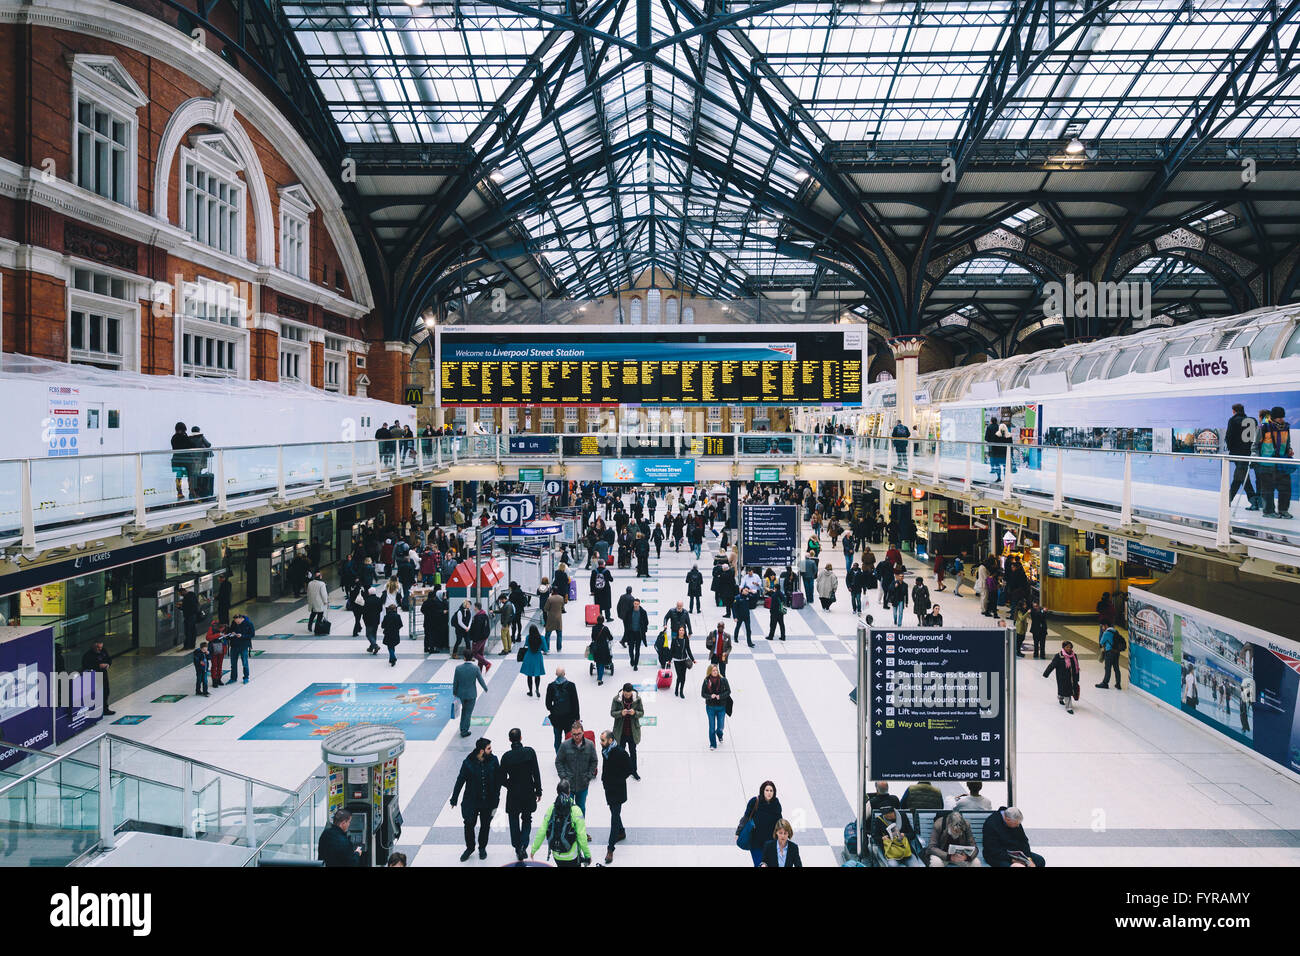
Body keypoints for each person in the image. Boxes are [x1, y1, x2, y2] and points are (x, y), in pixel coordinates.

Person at [450, 737, 500, 861]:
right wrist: (454, 798)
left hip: (488, 801)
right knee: (468, 825)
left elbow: (498, 779)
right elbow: (460, 780)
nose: (491, 750)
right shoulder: (468, 762)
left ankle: (482, 847)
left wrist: (496, 797)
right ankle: (470, 847)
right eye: (489, 748)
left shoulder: (493, 760)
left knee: (485, 825)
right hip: (471, 801)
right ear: (481, 750)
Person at [497, 727, 543, 862]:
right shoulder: (529, 752)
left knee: (513, 819)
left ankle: (517, 846)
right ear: (521, 738)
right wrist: (538, 790)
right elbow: (536, 772)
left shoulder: (506, 757)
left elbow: (501, 778)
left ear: (510, 740)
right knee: (527, 818)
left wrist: (510, 784)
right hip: (528, 791)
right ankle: (523, 844)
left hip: (513, 794)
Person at [530, 780, 590, 867]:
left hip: (557, 855)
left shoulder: (551, 809)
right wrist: (587, 855)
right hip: (572, 856)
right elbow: (582, 836)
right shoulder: (576, 810)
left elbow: (542, 831)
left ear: (557, 792)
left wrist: (534, 849)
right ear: (569, 792)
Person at [599, 729, 633, 864]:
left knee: (614, 817)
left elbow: (630, 769)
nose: (600, 742)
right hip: (609, 788)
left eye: (603, 740)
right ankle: (622, 831)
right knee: (615, 812)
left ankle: (610, 848)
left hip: (617, 790)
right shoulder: (605, 751)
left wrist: (618, 779)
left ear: (610, 740)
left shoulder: (620, 752)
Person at [555, 719, 598, 814]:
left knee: (580, 809)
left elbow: (594, 761)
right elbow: (559, 761)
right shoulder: (565, 745)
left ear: (583, 732)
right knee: (567, 809)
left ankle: (580, 828)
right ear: (571, 734)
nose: (577, 736)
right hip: (568, 786)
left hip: (583, 785)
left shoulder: (590, 745)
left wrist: (589, 776)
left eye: (579, 734)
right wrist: (563, 777)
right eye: (574, 734)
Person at [1258, 405, 1293, 519]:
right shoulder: (1264, 427)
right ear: (1273, 418)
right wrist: (1255, 459)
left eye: (1282, 417)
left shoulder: (1286, 427)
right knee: (1267, 489)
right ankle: (1268, 511)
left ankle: (1283, 510)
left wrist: (1289, 450)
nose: (1282, 419)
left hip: (1282, 463)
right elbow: (1255, 445)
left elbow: (1287, 443)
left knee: (1286, 488)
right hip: (1266, 463)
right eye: (1279, 417)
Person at [736, 781, 783, 867]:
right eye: (767, 790)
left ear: (774, 792)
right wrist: (738, 832)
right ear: (762, 791)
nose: (769, 793)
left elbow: (780, 822)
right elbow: (746, 818)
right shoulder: (754, 801)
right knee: (759, 865)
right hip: (756, 842)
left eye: (771, 791)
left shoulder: (776, 804)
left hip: (770, 843)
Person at [1225, 403, 1261, 510]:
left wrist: (1232, 449)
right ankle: (1230, 500)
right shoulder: (1252, 420)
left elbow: (1229, 437)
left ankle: (1228, 500)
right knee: (1242, 476)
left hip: (1238, 453)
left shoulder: (1232, 420)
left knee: (1239, 476)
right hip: (1249, 453)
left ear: (1234, 411)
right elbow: (1256, 437)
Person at [453, 650, 488, 737]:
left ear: (464, 658)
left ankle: (462, 728)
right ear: (472, 658)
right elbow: (480, 680)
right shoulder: (475, 668)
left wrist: (454, 692)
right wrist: (485, 688)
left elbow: (455, 682)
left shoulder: (458, 668)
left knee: (464, 710)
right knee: (468, 712)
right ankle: (464, 730)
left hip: (461, 693)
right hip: (471, 694)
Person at [545, 668, 580, 753]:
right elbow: (575, 702)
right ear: (564, 673)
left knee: (557, 739)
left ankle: (559, 757)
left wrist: (553, 710)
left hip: (556, 719)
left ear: (556, 674)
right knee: (569, 738)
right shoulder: (571, 685)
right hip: (569, 718)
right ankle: (569, 756)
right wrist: (577, 717)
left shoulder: (551, 686)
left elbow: (548, 704)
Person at [1044, 639, 1080, 714]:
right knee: (1066, 691)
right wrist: (1046, 673)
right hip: (1062, 678)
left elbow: (1077, 667)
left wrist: (1077, 677)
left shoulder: (1074, 656)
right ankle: (1069, 707)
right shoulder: (1059, 656)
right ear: (1063, 648)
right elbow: (1052, 665)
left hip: (1072, 678)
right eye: (1067, 647)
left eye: (1070, 647)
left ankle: (1061, 699)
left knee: (1067, 691)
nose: (1069, 649)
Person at [701, 663, 732, 750]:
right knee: (711, 727)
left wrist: (720, 696)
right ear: (710, 672)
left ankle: (720, 734)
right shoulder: (706, 681)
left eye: (716, 670)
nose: (715, 672)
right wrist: (710, 696)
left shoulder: (723, 680)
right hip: (710, 707)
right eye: (713, 670)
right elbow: (702, 694)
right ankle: (713, 744)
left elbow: (728, 691)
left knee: (720, 726)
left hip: (721, 707)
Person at [622, 598, 649, 671]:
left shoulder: (643, 612)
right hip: (631, 632)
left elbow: (646, 622)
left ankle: (636, 664)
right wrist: (627, 628)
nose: (636, 605)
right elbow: (625, 620)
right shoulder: (629, 611)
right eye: (635, 604)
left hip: (638, 633)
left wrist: (644, 630)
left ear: (639, 604)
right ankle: (632, 659)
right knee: (630, 648)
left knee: (637, 649)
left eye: (637, 604)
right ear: (633, 604)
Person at [227, 613, 254, 685]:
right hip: (234, 645)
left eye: (237, 621)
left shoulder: (249, 624)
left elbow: (252, 634)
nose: (236, 622)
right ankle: (233, 678)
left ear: (241, 618)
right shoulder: (234, 623)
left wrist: (242, 636)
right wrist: (231, 633)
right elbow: (230, 631)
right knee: (233, 663)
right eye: (235, 621)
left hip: (243, 646)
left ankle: (246, 677)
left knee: (244, 663)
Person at [520, 624, 547, 697]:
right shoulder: (542, 638)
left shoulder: (528, 637)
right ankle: (537, 689)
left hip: (529, 656)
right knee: (537, 674)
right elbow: (545, 649)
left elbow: (526, 645)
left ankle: (530, 691)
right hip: (538, 657)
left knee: (529, 675)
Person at [1096, 625, 1125, 689]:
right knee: (1116, 668)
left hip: (1109, 652)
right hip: (1116, 652)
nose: (1102, 628)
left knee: (1108, 668)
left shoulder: (1106, 633)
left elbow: (1101, 642)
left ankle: (1105, 683)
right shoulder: (1115, 631)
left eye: (1102, 626)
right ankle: (1118, 684)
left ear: (1106, 625)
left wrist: (1103, 634)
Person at [670, 625, 694, 698]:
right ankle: (676, 688)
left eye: (682, 630)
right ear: (678, 631)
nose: (681, 631)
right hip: (676, 660)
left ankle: (681, 691)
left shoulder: (686, 639)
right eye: (680, 630)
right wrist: (669, 660)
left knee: (683, 677)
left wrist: (693, 659)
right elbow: (671, 650)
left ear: (684, 632)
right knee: (679, 676)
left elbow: (688, 649)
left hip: (684, 660)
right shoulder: (675, 639)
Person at [169, 422, 191, 500]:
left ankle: (179, 492)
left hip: (176, 459)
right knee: (189, 476)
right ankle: (191, 491)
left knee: (178, 477)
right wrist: (187, 437)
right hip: (185, 461)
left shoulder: (173, 437)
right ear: (183, 429)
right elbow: (190, 445)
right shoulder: (184, 437)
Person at [589, 616, 614, 686]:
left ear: (597, 620)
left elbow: (593, 637)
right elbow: (610, 637)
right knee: (602, 663)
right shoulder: (605, 628)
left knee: (597, 661)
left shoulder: (594, 628)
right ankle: (600, 679)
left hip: (596, 647)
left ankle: (598, 676)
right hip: (604, 648)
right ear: (603, 621)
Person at [468, 601, 492, 672]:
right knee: (480, 654)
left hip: (478, 638)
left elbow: (477, 630)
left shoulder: (478, 617)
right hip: (484, 637)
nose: (474, 608)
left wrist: (474, 640)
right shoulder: (484, 615)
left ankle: (487, 664)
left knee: (474, 653)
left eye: (474, 607)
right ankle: (479, 670)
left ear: (476, 607)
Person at [205, 619, 227, 688]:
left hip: (222, 649)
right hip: (214, 649)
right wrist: (218, 635)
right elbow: (208, 638)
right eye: (222, 627)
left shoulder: (226, 627)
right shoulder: (213, 627)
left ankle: (219, 679)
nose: (223, 628)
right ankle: (214, 680)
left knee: (220, 665)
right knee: (214, 665)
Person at [543, 587, 565, 652]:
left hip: (551, 618)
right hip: (559, 618)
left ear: (552, 591)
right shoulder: (561, 598)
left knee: (548, 634)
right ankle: (559, 648)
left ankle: (547, 648)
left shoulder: (550, 599)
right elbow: (562, 607)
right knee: (559, 634)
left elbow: (546, 608)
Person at [180, 586, 199, 650]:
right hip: (194, 616)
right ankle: (192, 645)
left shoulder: (186, 598)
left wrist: (179, 607)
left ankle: (186, 646)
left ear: (183, 592)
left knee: (188, 632)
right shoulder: (192, 594)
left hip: (188, 617)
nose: (180, 595)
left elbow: (186, 608)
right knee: (193, 631)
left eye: (180, 594)